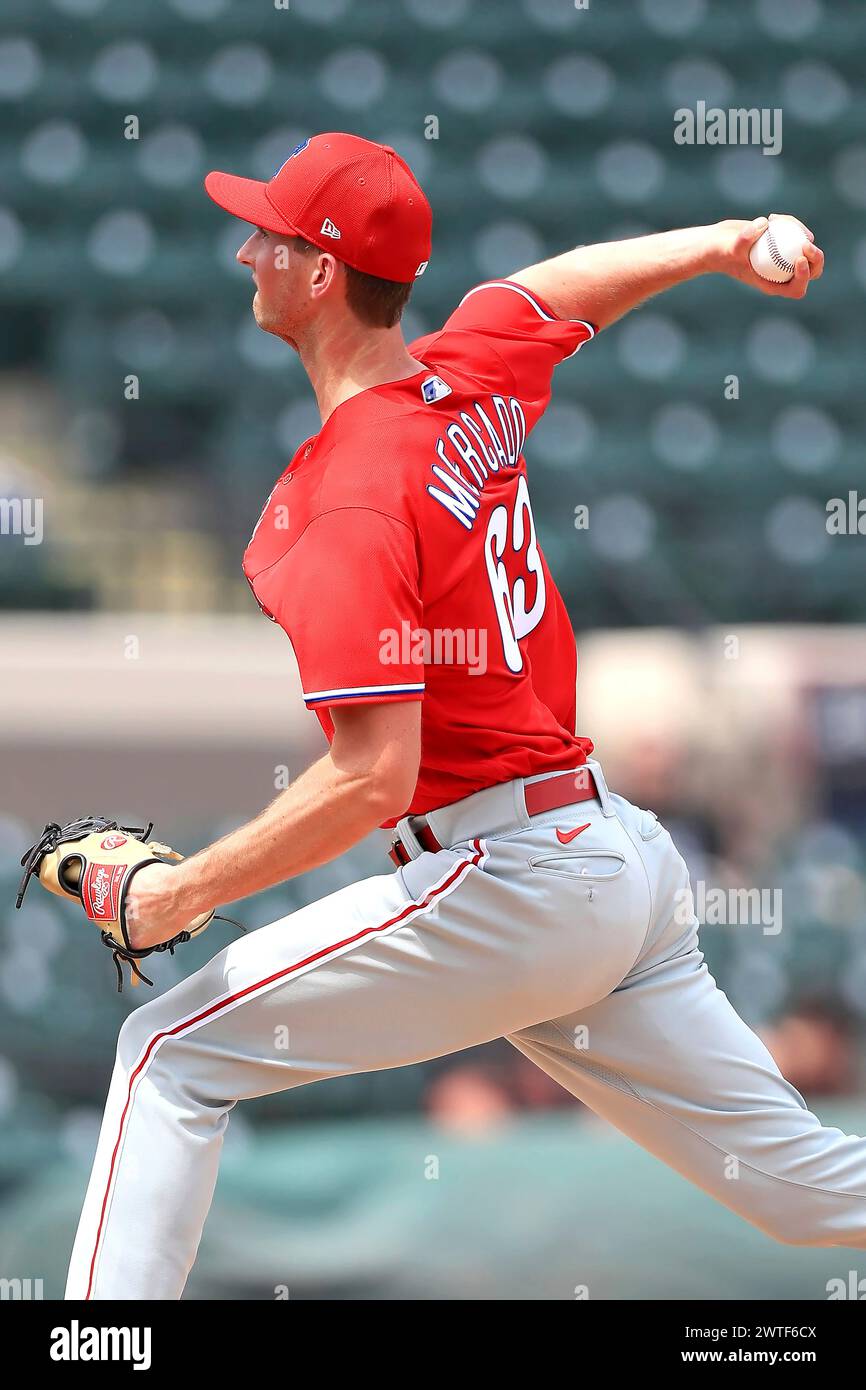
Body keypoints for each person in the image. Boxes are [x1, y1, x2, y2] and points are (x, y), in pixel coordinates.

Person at [67, 133, 855, 1304]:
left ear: (320, 273)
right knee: (810, 1196)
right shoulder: (464, 375)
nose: (244, 252)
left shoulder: (343, 496)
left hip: (511, 881)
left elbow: (373, 778)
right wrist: (721, 242)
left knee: (165, 1055)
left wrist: (180, 893)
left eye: (269, 238)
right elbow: (557, 285)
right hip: (612, 865)